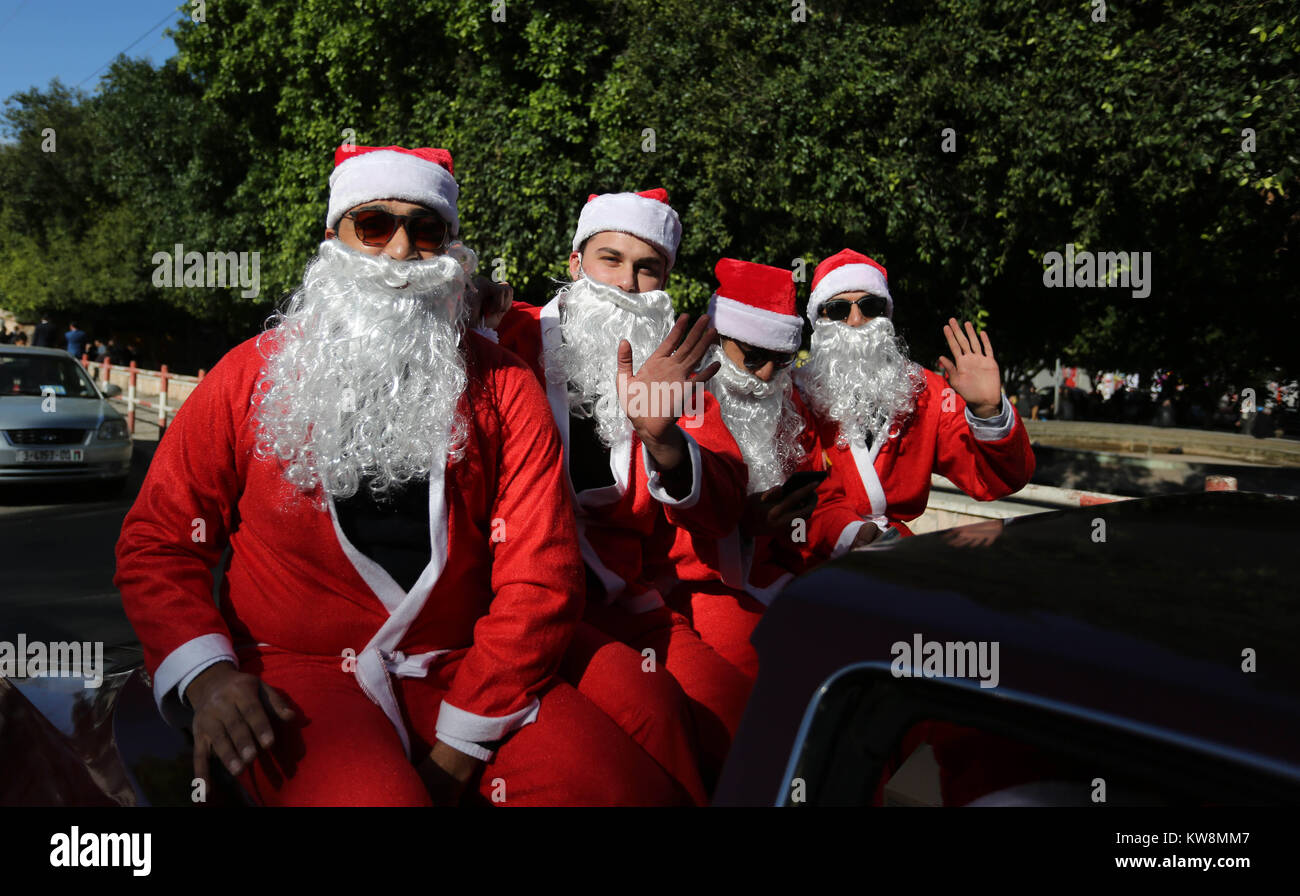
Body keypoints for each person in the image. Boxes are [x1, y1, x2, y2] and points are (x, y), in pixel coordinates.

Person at [115, 144, 691, 807]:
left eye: (425, 231)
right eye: (374, 225)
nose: (398, 251)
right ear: (334, 240)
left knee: (609, 787)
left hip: (466, 664)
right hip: (294, 674)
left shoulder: (505, 384)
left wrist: (461, 746)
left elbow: (540, 574)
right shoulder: (247, 375)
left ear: (448, 249)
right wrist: (207, 676)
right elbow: (159, 542)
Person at [493, 188, 753, 785]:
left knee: (747, 723)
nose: (627, 283)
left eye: (647, 268)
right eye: (610, 259)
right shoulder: (512, 337)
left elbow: (726, 502)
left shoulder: (676, 364)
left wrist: (663, 438)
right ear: (574, 262)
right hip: (522, 596)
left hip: (629, 604)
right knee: (652, 720)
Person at [665, 259, 878, 680]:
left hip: (772, 577)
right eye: (754, 357)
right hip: (695, 587)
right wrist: (743, 526)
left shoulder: (789, 405)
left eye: (781, 361)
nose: (766, 375)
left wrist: (854, 533)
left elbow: (819, 503)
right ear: (717, 341)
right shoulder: (680, 398)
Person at [798, 249, 1035, 536]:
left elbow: (998, 479)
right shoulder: (793, 392)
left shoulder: (926, 392)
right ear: (819, 320)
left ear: (886, 314)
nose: (857, 320)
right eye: (838, 309)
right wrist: (846, 535)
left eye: (870, 306)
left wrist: (987, 411)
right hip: (809, 560)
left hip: (891, 556)